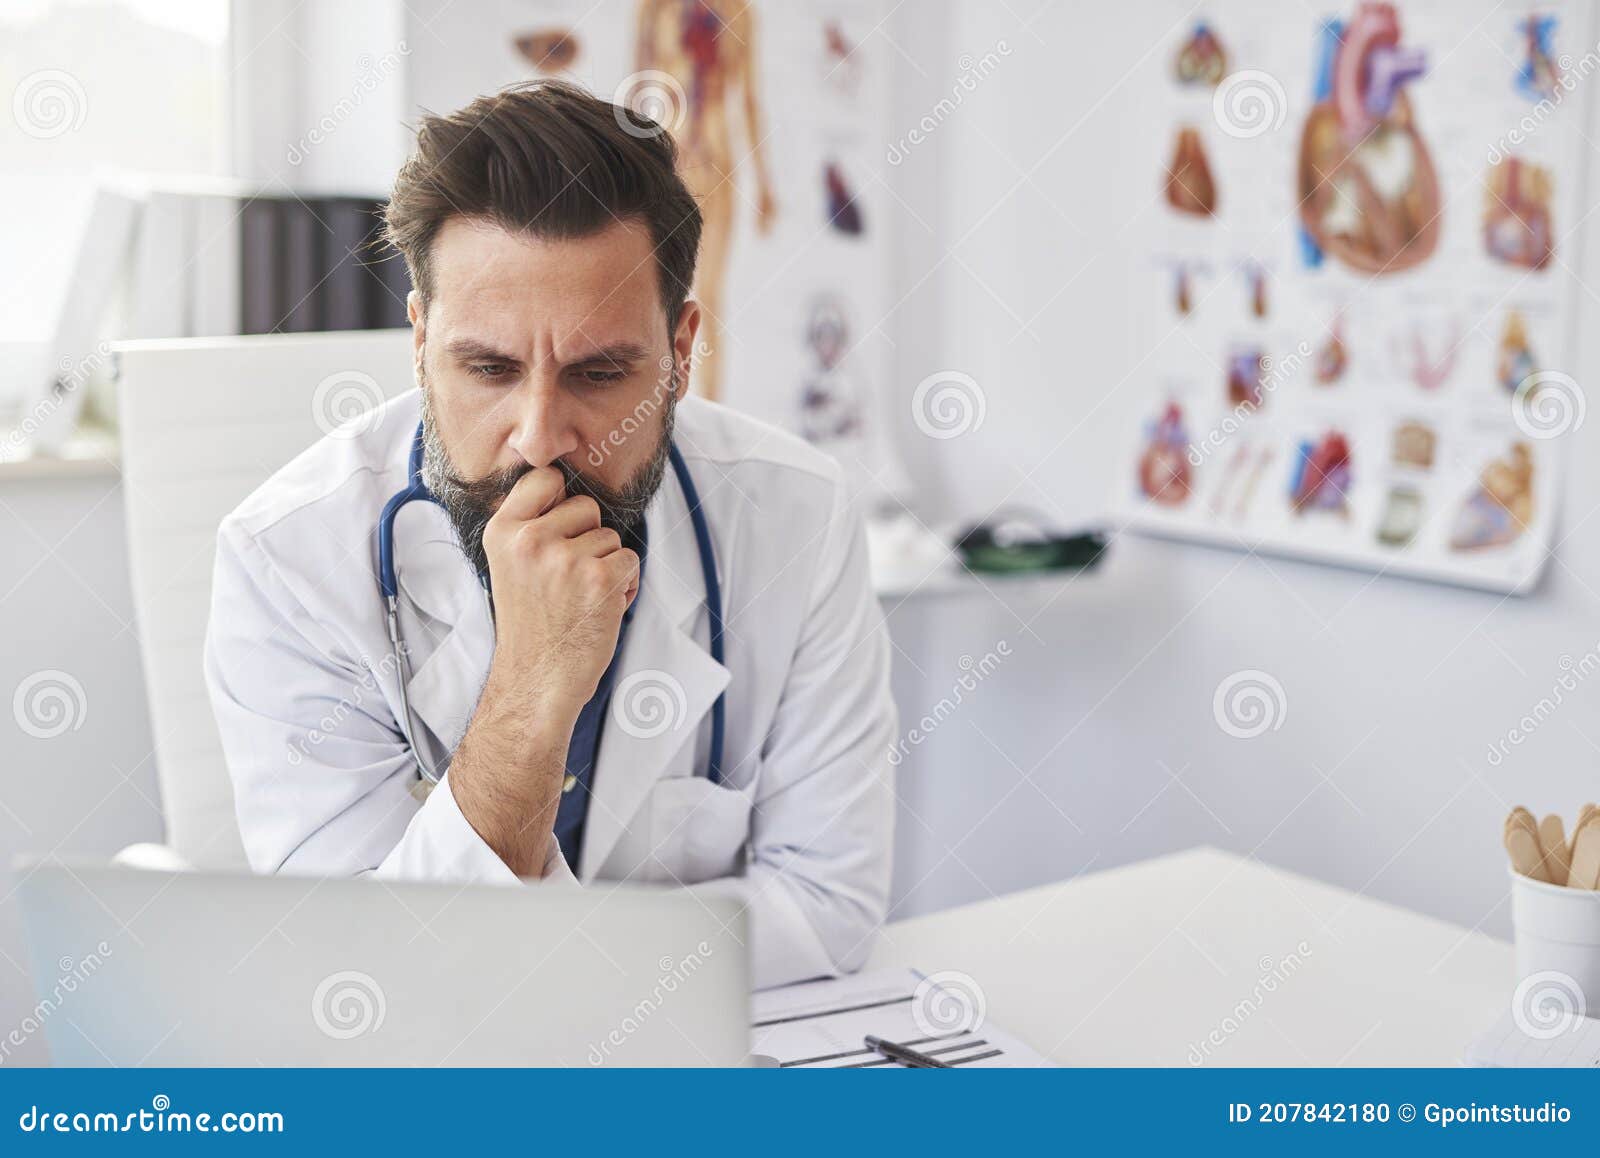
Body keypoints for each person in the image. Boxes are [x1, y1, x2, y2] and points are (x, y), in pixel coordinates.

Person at [204, 81, 894, 989]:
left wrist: (537, 965)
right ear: (418, 340)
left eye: (600, 372)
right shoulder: (289, 561)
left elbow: (826, 909)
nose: (539, 436)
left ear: (681, 352)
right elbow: (365, 980)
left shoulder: (798, 515)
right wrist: (533, 686)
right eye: (487, 368)